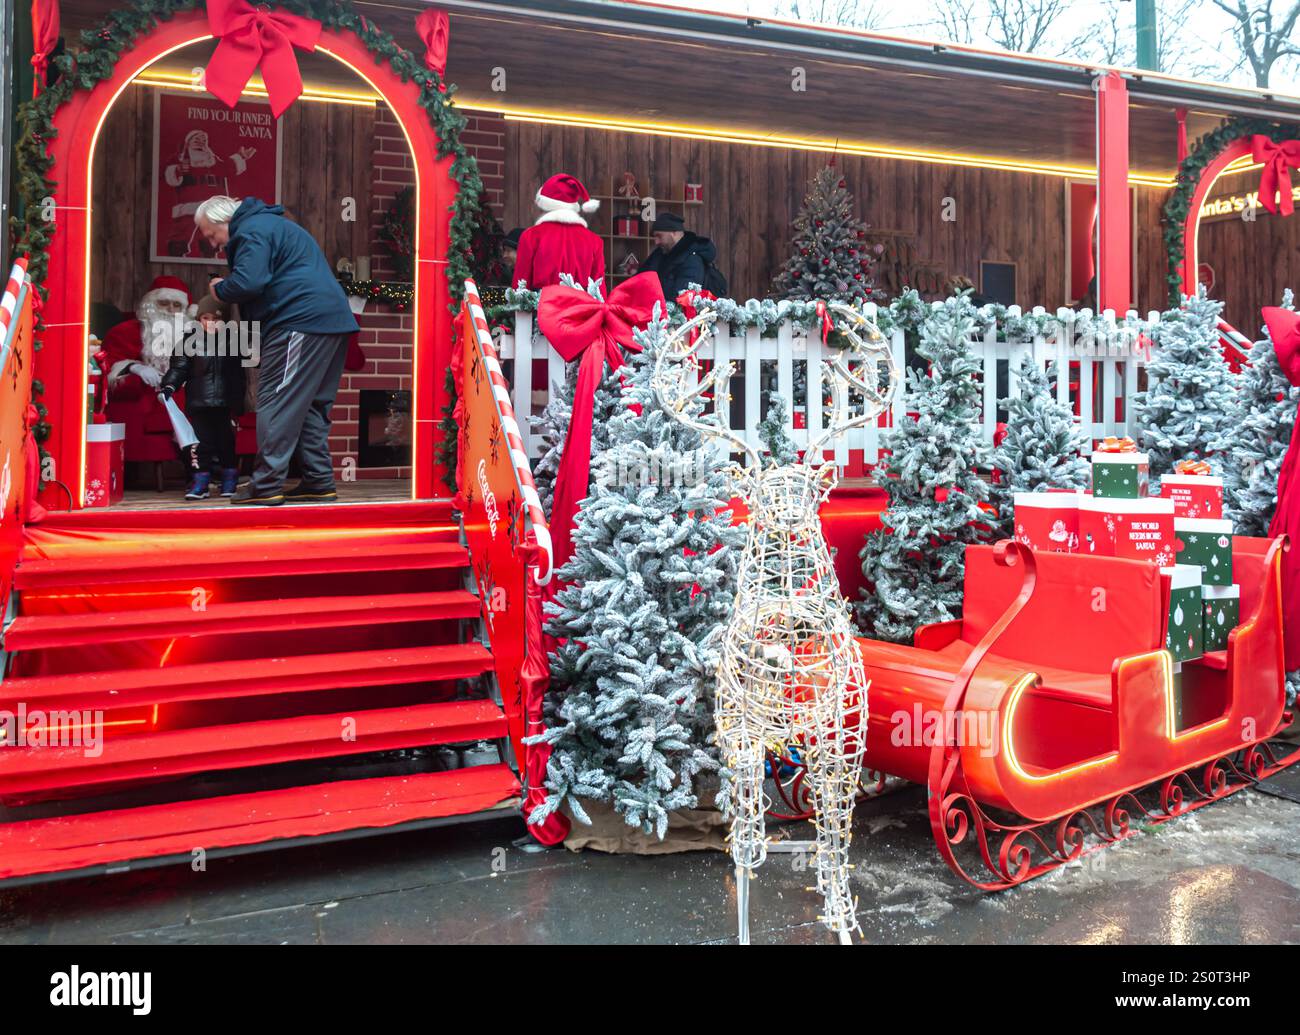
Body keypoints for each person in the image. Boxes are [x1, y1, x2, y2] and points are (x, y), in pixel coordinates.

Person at [195, 195, 359, 506]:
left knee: (276, 400)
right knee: (311, 406)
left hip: (299, 322)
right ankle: (318, 482)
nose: (215, 244)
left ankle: (267, 484)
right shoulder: (273, 225)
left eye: (211, 235)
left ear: (222, 220)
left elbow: (249, 282)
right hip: (331, 322)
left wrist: (219, 288)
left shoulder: (250, 230)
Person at [160, 296, 245, 500]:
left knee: (226, 443)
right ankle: (200, 481)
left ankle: (229, 479)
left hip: (226, 402)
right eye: (205, 318)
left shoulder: (235, 341)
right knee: (200, 444)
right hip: (200, 401)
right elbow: (179, 367)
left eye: (216, 319)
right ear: (199, 320)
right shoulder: (189, 342)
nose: (210, 323)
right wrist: (170, 385)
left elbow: (252, 362)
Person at [103, 275, 192, 470]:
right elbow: (109, 364)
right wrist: (133, 367)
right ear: (150, 304)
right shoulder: (125, 332)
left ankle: (202, 470)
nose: (170, 310)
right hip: (148, 395)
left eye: (176, 305)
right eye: (163, 303)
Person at [512, 175, 605, 290]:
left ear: (545, 205)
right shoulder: (594, 241)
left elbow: (520, 285)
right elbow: (599, 290)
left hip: (541, 306)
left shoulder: (531, 236)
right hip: (581, 306)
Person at [641, 212, 719, 298]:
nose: (656, 242)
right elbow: (640, 278)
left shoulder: (692, 260)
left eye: (659, 236)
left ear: (674, 233)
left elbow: (682, 297)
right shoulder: (659, 254)